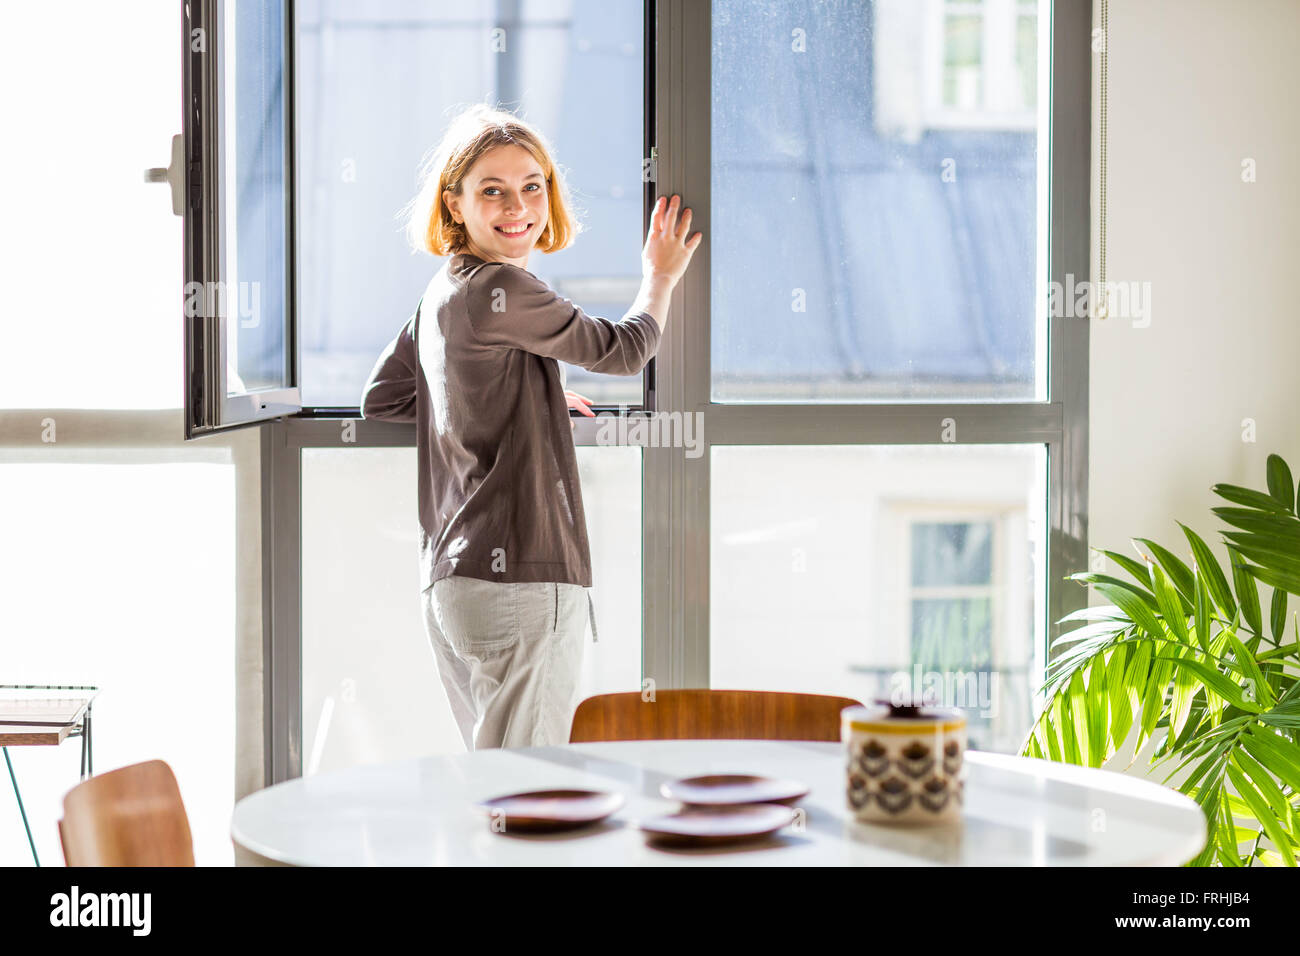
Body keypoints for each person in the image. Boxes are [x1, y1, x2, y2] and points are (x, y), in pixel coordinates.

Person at [360, 103, 701, 750]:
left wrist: (527, 393)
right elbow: (623, 350)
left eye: (532, 186)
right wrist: (659, 276)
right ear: (454, 204)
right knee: (528, 797)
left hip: (453, 584)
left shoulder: (442, 291)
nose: (517, 206)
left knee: (497, 795)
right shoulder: (506, 292)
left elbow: (386, 398)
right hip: (517, 578)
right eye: (493, 190)